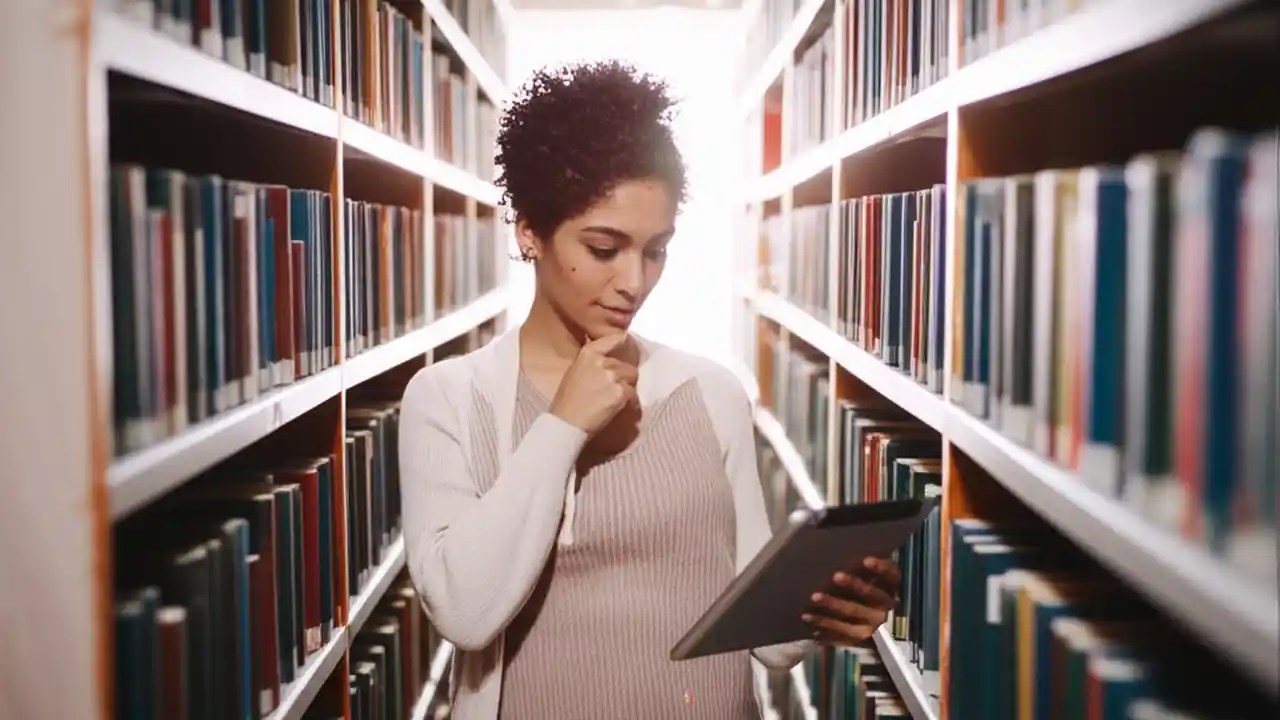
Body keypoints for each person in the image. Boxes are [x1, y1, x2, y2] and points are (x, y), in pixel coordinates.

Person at [398, 59, 901, 719]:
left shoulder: (711, 392)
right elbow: (463, 612)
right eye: (605, 249)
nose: (634, 281)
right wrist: (562, 428)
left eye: (655, 250)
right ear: (528, 232)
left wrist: (829, 606)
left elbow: (768, 643)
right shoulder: (447, 398)